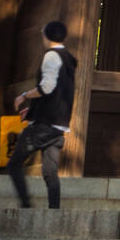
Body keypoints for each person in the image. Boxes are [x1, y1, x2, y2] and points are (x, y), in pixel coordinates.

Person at [8, 20, 76, 210]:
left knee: (14, 164)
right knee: (50, 172)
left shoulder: (52, 56)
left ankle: (26, 205)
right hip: (58, 126)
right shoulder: (68, 58)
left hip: (44, 126)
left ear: (46, 35)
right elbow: (59, 92)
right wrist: (33, 110)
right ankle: (54, 210)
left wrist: (24, 96)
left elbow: (47, 88)